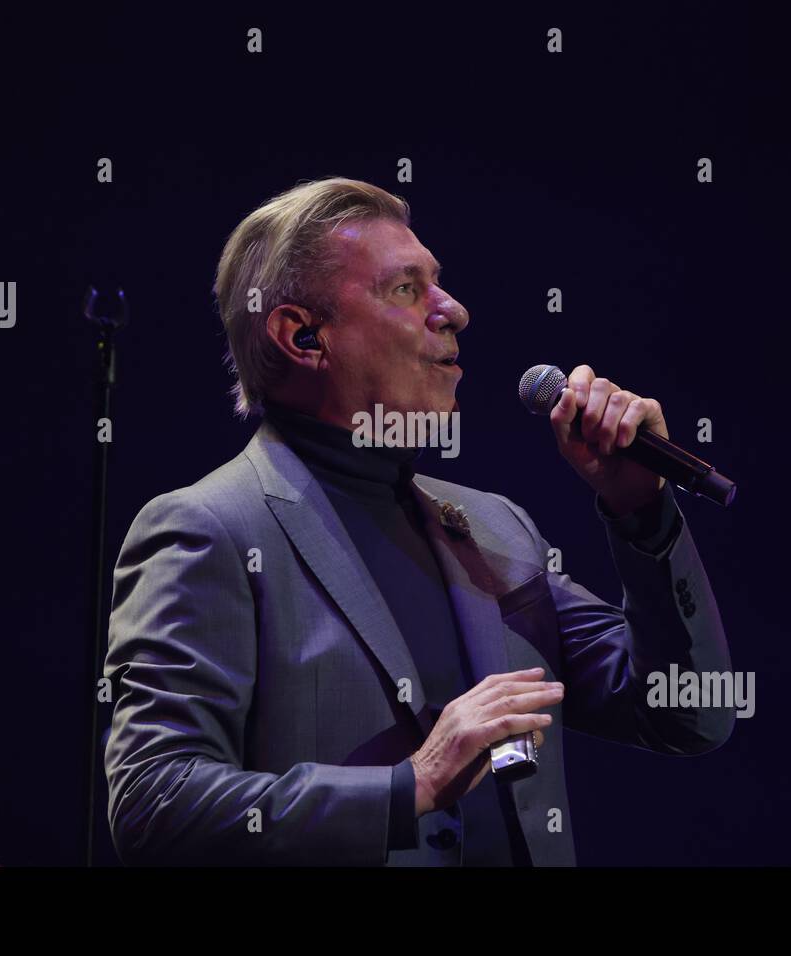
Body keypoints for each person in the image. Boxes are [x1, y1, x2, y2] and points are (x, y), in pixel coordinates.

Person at [103, 177, 735, 865]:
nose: (455, 310)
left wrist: (641, 510)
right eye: (406, 289)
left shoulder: (497, 530)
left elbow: (686, 714)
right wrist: (412, 786)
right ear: (302, 335)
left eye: (440, 284)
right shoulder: (211, 530)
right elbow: (155, 804)